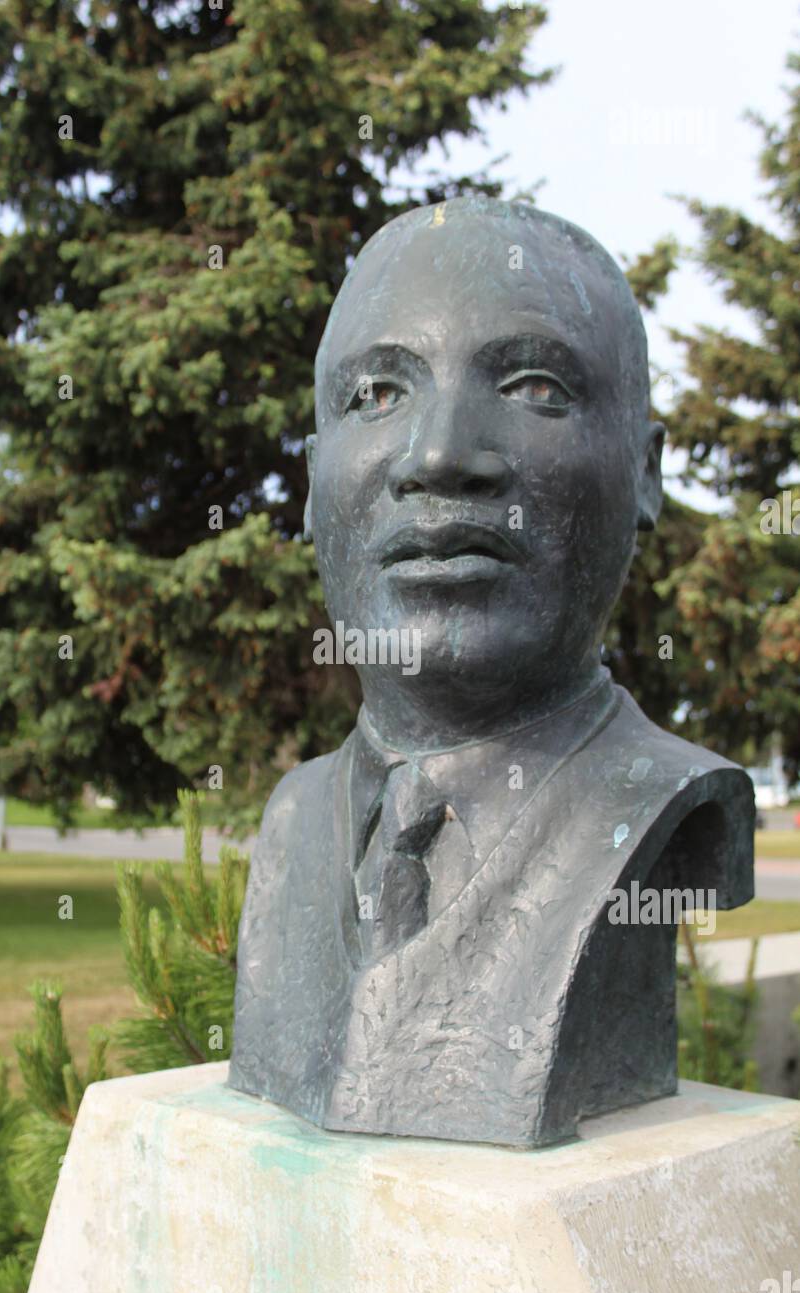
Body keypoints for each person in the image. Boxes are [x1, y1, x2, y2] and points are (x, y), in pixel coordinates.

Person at [228, 198, 754, 1148]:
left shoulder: (665, 804)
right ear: (310, 486)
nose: (438, 457)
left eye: (533, 387)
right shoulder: (294, 822)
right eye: (378, 395)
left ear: (645, 472)